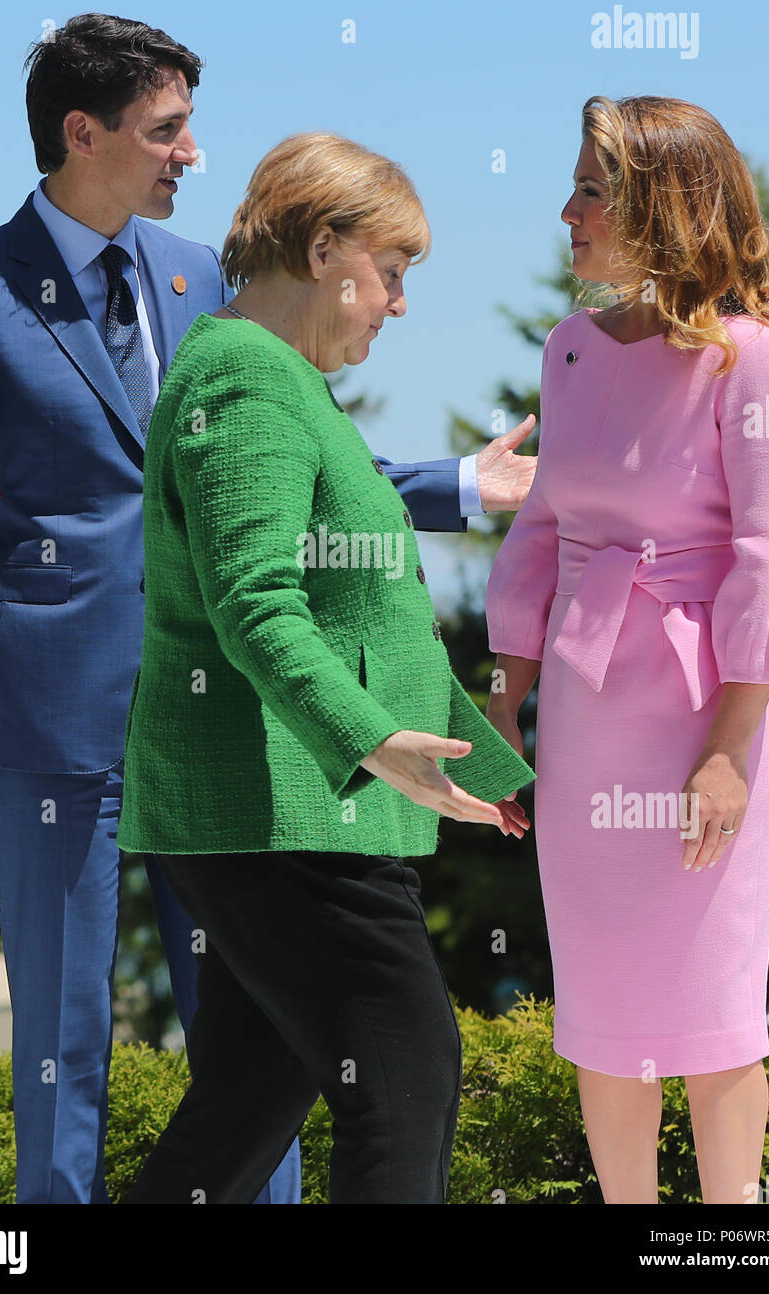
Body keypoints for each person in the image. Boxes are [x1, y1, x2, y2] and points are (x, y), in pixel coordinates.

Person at [0, 15, 537, 1204]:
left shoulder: (194, 281)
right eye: (165, 129)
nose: (190, 153)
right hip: (61, 719)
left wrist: (450, 486)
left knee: (263, 1046)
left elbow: (262, 482)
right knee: (65, 1042)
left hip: (232, 716)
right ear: (85, 134)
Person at [116, 130, 536, 1205]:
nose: (397, 305)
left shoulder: (279, 382)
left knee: (244, 1113)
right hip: (287, 816)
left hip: (294, 809)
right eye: (390, 275)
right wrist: (370, 740)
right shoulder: (248, 385)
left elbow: (375, 618)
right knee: (407, 1077)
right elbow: (255, 603)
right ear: (321, 248)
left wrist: (495, 772)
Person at [485, 94, 769, 1204]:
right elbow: (540, 535)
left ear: (659, 208)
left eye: (592, 188)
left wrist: (729, 747)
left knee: (716, 1014)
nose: (567, 210)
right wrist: (500, 701)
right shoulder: (571, 350)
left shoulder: (754, 361)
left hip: (707, 723)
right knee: (602, 1011)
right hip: (584, 722)